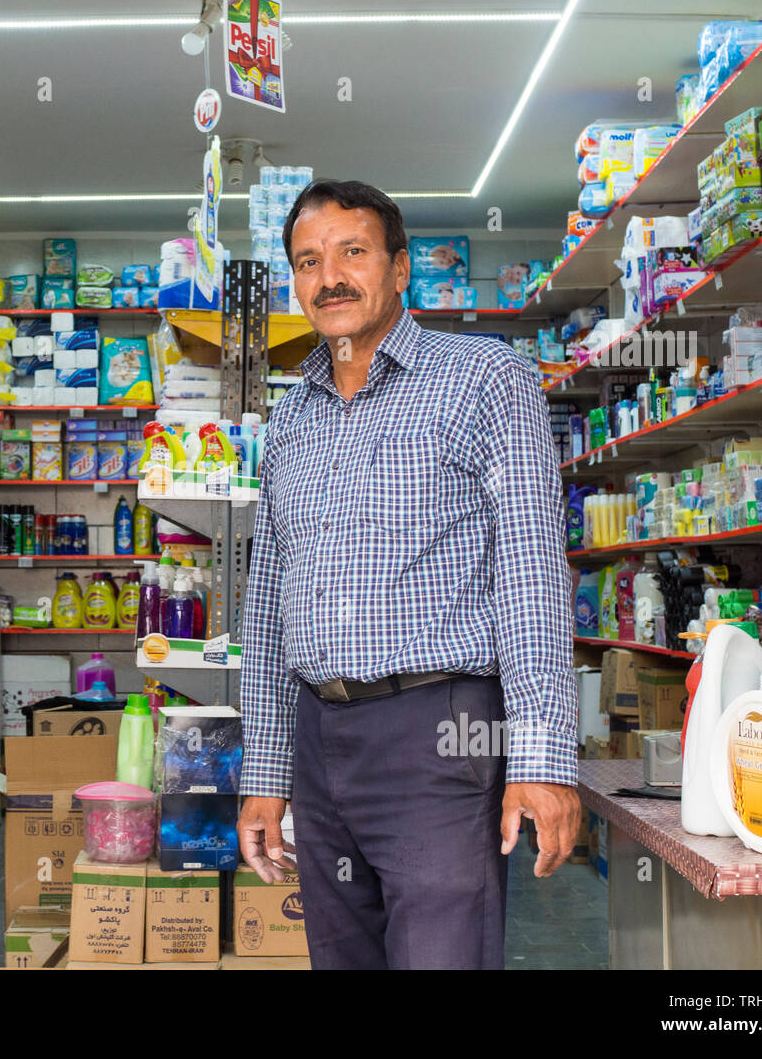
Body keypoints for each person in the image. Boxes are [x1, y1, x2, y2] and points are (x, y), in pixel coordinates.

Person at [236, 179, 580, 970]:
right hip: (320, 737)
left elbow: (530, 568)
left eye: (352, 252)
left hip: (439, 732)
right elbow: (266, 609)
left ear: (400, 269)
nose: (330, 278)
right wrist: (266, 772)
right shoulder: (289, 419)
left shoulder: (483, 378)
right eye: (308, 261)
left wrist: (543, 759)